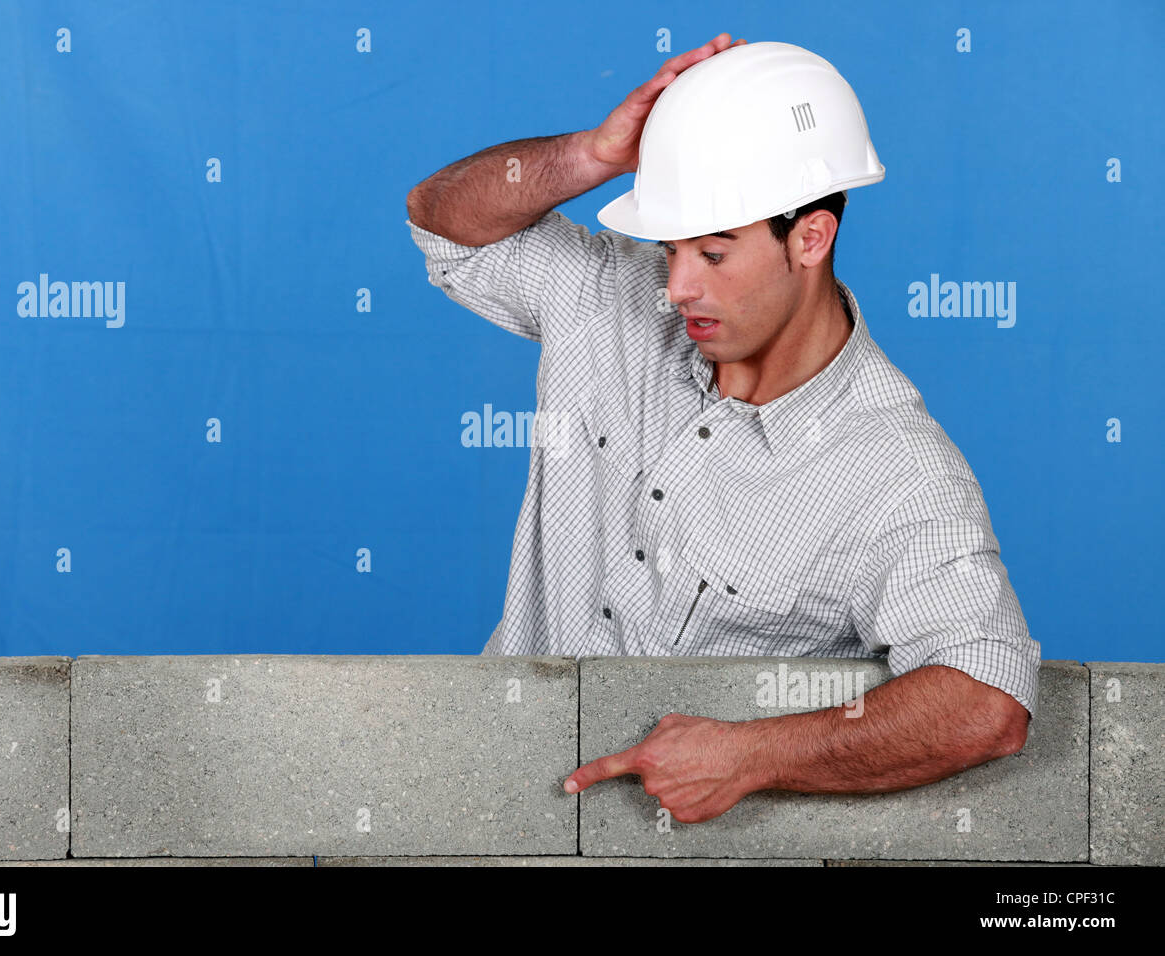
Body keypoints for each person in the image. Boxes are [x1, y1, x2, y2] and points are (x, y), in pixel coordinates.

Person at [404, 33, 1040, 824]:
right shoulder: (612, 300)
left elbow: (985, 702)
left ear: (810, 238)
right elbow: (440, 220)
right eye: (669, 248)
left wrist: (753, 754)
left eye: (712, 252)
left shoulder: (895, 470)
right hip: (491, 805)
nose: (676, 286)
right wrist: (591, 155)